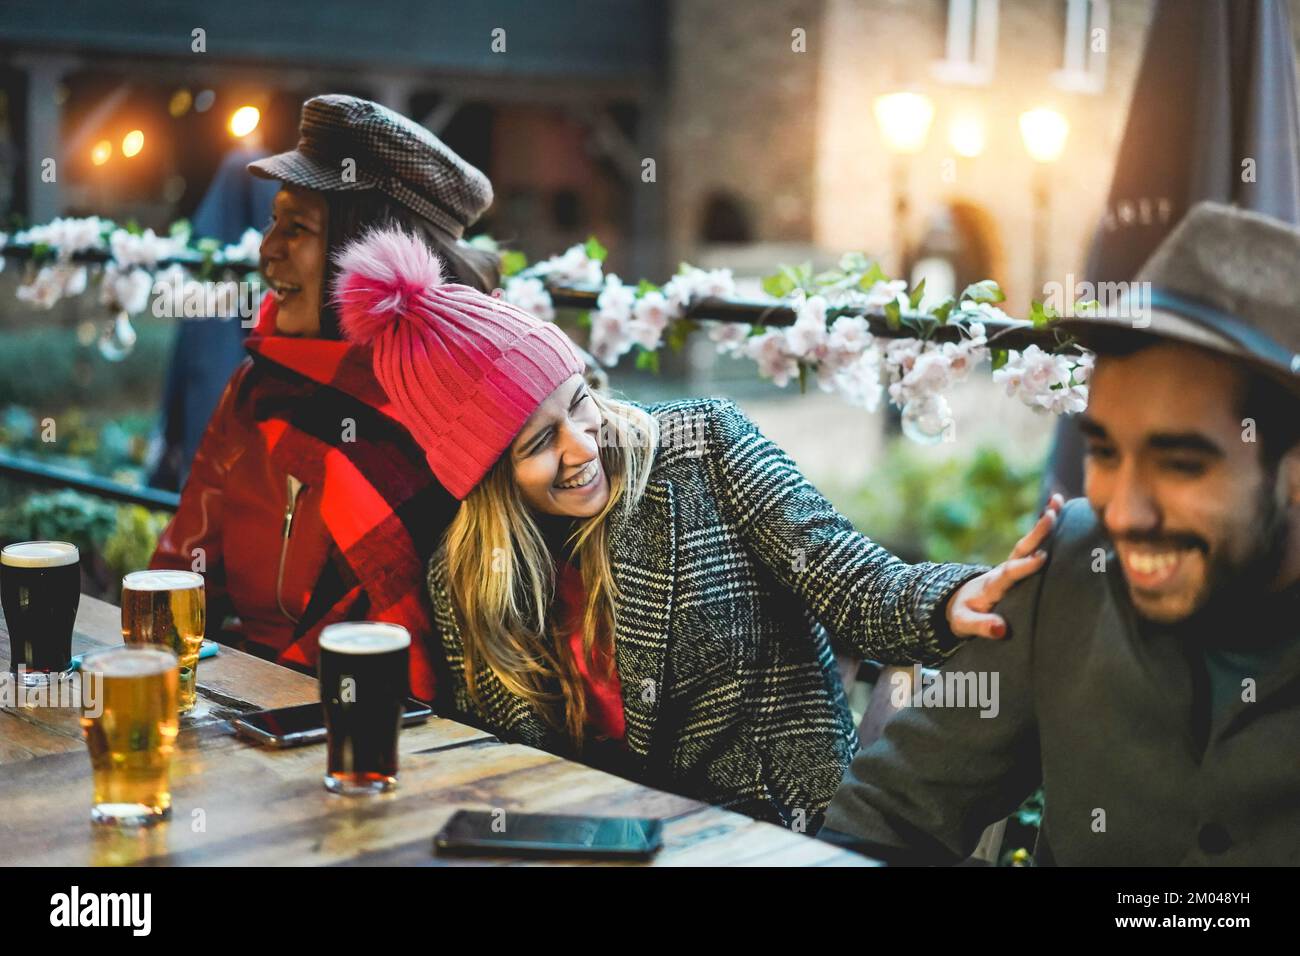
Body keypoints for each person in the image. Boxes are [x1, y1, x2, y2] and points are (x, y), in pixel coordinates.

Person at [329, 225, 1059, 828]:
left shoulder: (703, 447)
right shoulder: (465, 582)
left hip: (770, 836)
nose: (584, 445)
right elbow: (494, 772)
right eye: (537, 442)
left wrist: (950, 599)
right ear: (485, 478)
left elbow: (853, 580)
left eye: (578, 402)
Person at [820, 201, 1300, 865]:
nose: (1124, 511)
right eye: (1104, 451)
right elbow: (889, 814)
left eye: (1181, 463)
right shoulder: (1072, 563)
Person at [148, 94, 501, 698]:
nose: (267, 251)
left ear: (370, 255)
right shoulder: (255, 387)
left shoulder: (466, 415)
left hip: (402, 735)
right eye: (271, 221)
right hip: (255, 717)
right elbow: (181, 574)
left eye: (298, 227)